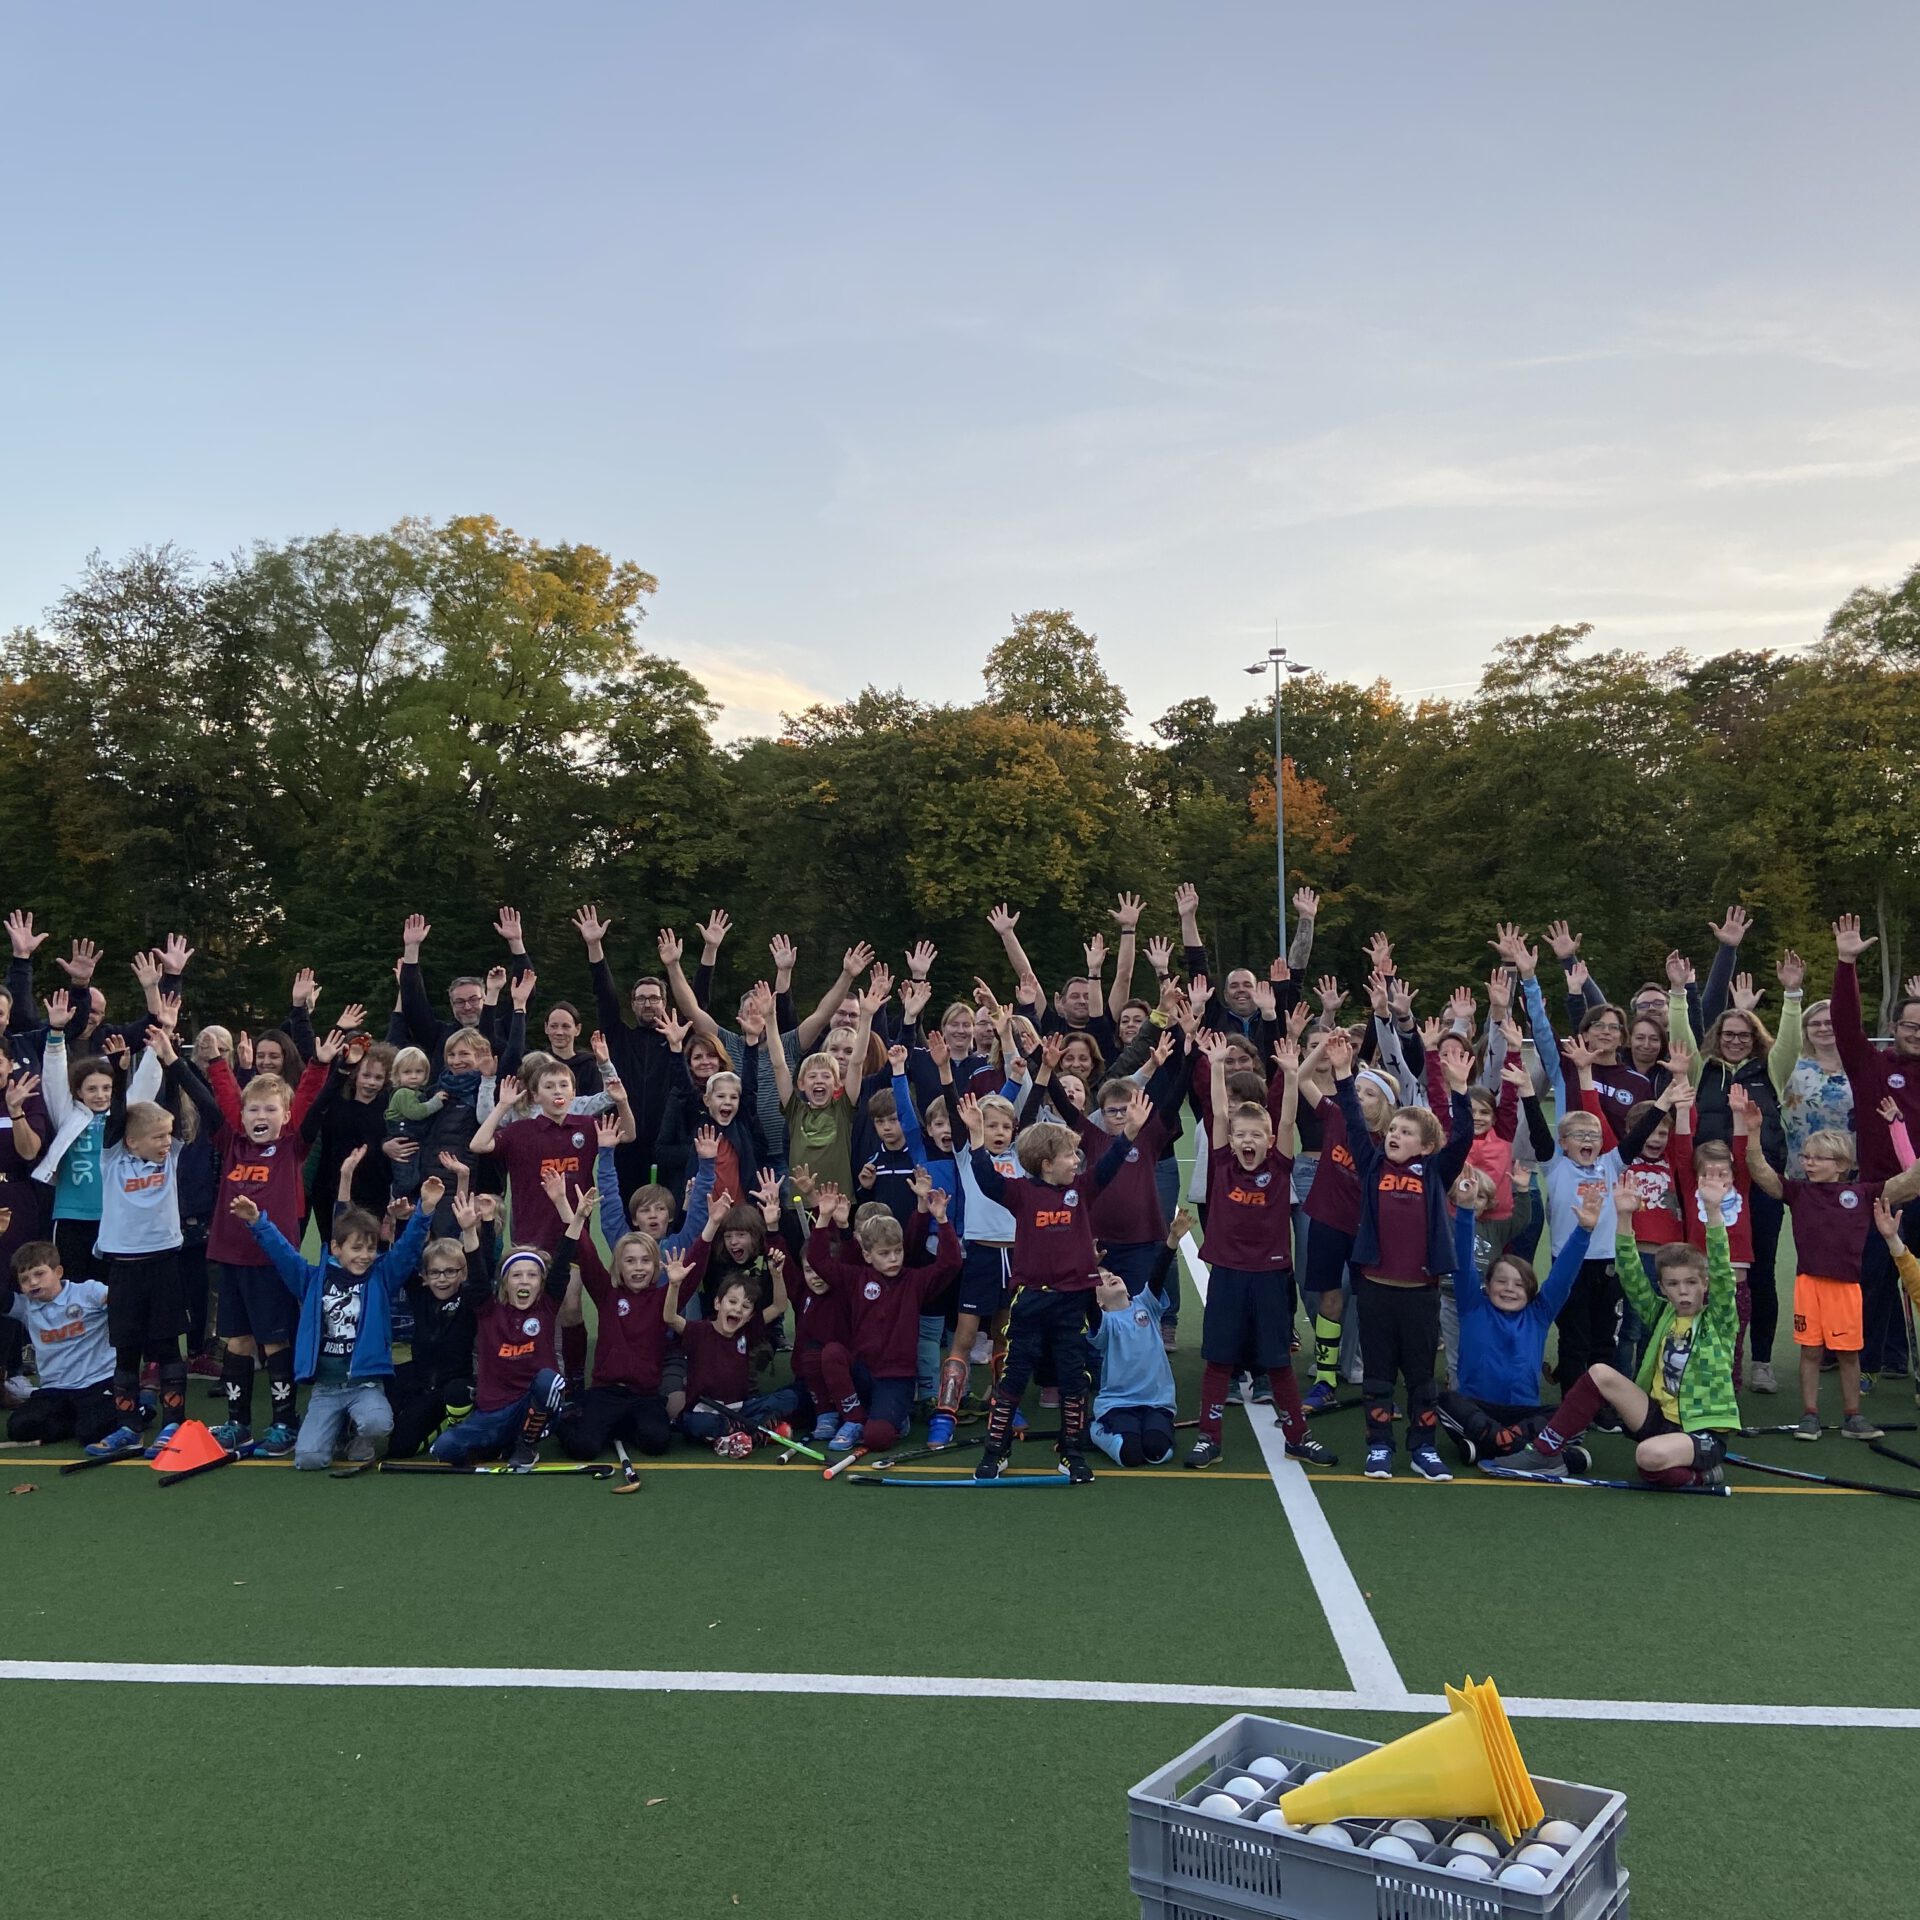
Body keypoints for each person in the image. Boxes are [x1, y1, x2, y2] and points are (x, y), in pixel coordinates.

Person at [1495, 1170, 1741, 1490]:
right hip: (1658, 1419)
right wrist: (1624, 1216)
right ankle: (1544, 1452)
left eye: (1691, 1283)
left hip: (1702, 1432)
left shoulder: (1719, 1320)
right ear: (1663, 1288)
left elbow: (1722, 1272)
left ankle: (1702, 1475)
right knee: (1600, 1372)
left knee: (1648, 1458)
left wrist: (1712, 1210)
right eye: (1673, 1284)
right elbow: (1631, 1275)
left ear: (1704, 1284)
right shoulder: (1662, 1314)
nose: (1683, 1291)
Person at [958, 1087, 1135, 1484]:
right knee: (1014, 1376)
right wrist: (975, 1137)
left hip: (1072, 1303)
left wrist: (1129, 1134)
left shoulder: (1081, 1190)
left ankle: (1071, 1451)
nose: (1077, 1161)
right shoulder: (1022, 1194)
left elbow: (1109, 1166)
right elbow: (985, 1179)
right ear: (1046, 1163)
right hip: (1031, 1300)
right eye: (1070, 1155)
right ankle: (996, 1450)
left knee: (1074, 1378)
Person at [1185, 1032, 1337, 1471]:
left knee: (1277, 1361)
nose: (1247, 1141)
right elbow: (1219, 1112)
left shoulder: (1278, 1164)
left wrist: (1290, 1074)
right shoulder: (1222, 1163)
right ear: (1230, 1140)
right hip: (1229, 1273)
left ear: (1269, 1140)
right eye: (1241, 1135)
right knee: (1219, 1359)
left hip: (1270, 1276)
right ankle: (1209, 1437)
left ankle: (1297, 1437)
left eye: (1257, 1134)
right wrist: (1216, 1065)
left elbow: (1287, 1121)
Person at [1734, 1084, 1920, 1441]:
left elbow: (1909, 1181)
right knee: (1811, 1351)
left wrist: (1898, 1125)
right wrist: (1753, 1133)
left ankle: (1853, 1417)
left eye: (1818, 1158)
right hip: (1809, 1285)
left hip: (1847, 1288)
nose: (1809, 1163)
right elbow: (1761, 1172)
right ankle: (1810, 1415)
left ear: (1842, 1165)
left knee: (1849, 1355)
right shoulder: (1798, 1191)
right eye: (1806, 1157)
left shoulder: (1863, 1193)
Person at [1331, 1028, 1475, 1481]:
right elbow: (1355, 1121)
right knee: (1377, 1376)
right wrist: (1342, 1074)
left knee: (1420, 1377)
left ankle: (1423, 1447)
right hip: (1376, 1289)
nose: (1395, 1134)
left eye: (1406, 1132)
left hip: (1419, 1293)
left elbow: (1463, 1138)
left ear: (1426, 1146)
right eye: (1393, 1129)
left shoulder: (1435, 1171)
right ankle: (1379, 1446)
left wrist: (1460, 1090)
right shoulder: (1372, 1164)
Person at [233, 1175, 442, 1470]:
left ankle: (358, 1434)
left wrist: (425, 1209)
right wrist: (257, 1222)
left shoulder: (381, 1277)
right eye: (356, 1248)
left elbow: (407, 1250)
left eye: (370, 1248)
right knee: (309, 1460)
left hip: (365, 1384)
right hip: (326, 1388)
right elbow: (282, 1254)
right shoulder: (312, 1280)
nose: (365, 1256)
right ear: (336, 1247)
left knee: (378, 1423)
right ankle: (335, 1428)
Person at [204, 1022, 333, 1457]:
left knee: (275, 1340)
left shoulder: (292, 1146)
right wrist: (215, 1062)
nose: (261, 1117)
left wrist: (320, 1065)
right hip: (231, 1257)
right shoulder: (233, 1143)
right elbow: (223, 1100)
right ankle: (237, 1423)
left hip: (271, 1262)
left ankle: (283, 1422)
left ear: (285, 1116)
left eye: (270, 1110)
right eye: (254, 1110)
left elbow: (310, 1101)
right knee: (237, 1340)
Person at [1440, 1182, 1604, 1469]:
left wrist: (1584, 1231)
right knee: (1446, 1401)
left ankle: (1493, 1446)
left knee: (1573, 1413)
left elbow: (1562, 1277)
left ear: (1530, 1291)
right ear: (1487, 1284)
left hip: (1524, 1414)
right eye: (1501, 1281)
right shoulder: (1473, 1305)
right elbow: (1464, 1262)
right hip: (1480, 1408)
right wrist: (1465, 1211)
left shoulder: (1538, 1314)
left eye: (1519, 1284)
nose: (1509, 1289)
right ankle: (1530, 1450)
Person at [430, 1184, 591, 1469]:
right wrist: (469, 1230)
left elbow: (563, 1260)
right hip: (494, 1410)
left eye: (532, 1275)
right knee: (444, 1449)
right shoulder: (488, 1309)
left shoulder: (546, 1306)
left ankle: (526, 1445)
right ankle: (501, 1443)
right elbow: (477, 1272)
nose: (524, 1281)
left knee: (549, 1380)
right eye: (517, 1275)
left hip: (532, 1405)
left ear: (541, 1283)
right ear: (505, 1282)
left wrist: (577, 1219)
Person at [805, 1179, 962, 1453]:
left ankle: (891, 1417)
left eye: (897, 1251)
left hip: (896, 1378)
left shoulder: (915, 1281)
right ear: (867, 1255)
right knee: (831, 1353)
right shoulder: (856, 1278)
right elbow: (819, 1261)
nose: (893, 1259)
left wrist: (942, 1220)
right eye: (884, 1253)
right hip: (863, 1370)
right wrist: (824, 1218)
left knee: (878, 1438)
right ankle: (854, 1419)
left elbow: (951, 1264)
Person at [1831, 914, 1920, 1382]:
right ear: (1894, 1026)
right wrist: (1846, 964)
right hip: (1881, 1193)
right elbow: (1845, 1025)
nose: (1917, 1033)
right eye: (1910, 1026)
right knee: (1874, 1275)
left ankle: (1899, 1356)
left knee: (1914, 1276)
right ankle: (1864, 1359)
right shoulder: (1871, 1065)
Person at [665, 1244, 797, 1454]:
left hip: (740, 1407)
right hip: (705, 1410)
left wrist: (776, 1274)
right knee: (694, 1423)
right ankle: (755, 1431)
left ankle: (738, 1433)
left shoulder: (747, 1332)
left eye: (745, 1307)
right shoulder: (699, 1331)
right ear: (718, 1303)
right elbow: (670, 1318)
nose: (737, 1309)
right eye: (732, 1302)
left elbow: (779, 1306)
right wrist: (674, 1285)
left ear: (750, 1316)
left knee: (789, 1398)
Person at [6, 1239, 117, 1446]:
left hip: (98, 1381)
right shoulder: (26, 1307)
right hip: (56, 1388)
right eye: (25, 1279)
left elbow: (123, 1302)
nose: (33, 1282)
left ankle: (138, 1409)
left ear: (58, 1272)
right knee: (19, 1427)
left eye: (39, 1273)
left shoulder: (88, 1291)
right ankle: (78, 1419)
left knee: (92, 1433)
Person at [1089, 1245, 1178, 1469]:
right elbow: (1087, 1304)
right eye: (1101, 1280)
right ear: (1099, 1302)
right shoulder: (1105, 1324)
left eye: (1110, 1274)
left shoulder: (1146, 1305)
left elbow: (1158, 1275)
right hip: (1118, 1405)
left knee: (1158, 1451)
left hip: (1157, 1403)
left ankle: (1152, 1430)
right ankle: (1094, 1429)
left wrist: (1172, 1242)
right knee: (1130, 1456)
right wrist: (1089, 1268)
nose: (1110, 1277)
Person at [382, 1046, 446, 1198]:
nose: (413, 1076)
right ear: (397, 1075)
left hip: (414, 1141)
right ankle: (396, 1197)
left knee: (416, 1176)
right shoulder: (403, 1093)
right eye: (407, 1072)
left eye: (418, 1071)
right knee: (406, 1178)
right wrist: (435, 1102)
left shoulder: (416, 1093)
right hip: (403, 1138)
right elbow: (415, 1113)